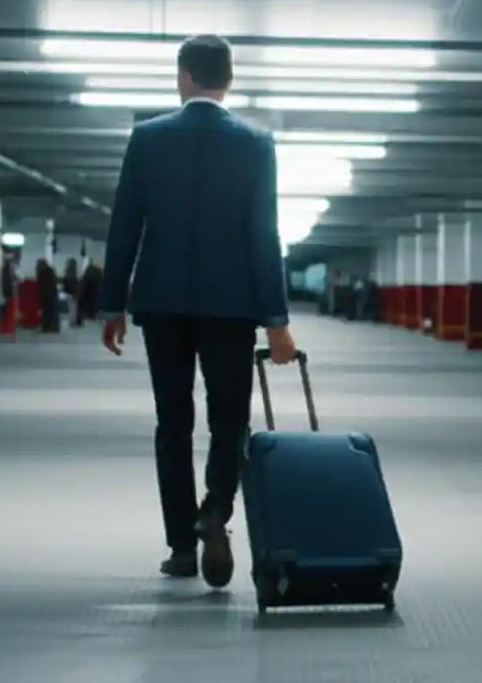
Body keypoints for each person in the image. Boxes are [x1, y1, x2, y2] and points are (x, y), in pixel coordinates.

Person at [97, 34, 297, 589]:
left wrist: (112, 303)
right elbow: (265, 233)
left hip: (160, 305)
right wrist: (276, 321)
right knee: (229, 418)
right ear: (227, 80)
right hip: (232, 309)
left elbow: (124, 228)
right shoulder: (256, 144)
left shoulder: (147, 138)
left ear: (183, 77)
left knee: (173, 422)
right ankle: (215, 514)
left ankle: (182, 546)